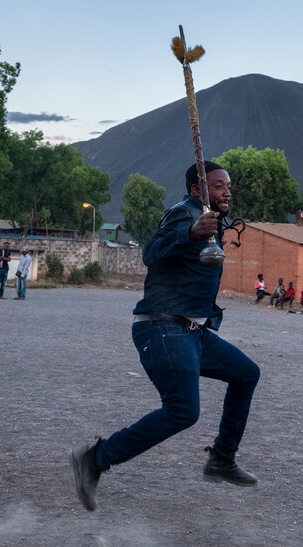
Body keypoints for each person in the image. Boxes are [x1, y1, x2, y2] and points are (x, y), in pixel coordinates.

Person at [69, 161, 261, 512]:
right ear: (196, 189)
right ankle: (94, 459)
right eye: (218, 185)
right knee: (183, 410)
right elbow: (150, 253)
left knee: (247, 373)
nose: (227, 191)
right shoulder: (183, 214)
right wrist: (189, 234)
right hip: (162, 326)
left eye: (228, 185)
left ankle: (222, 458)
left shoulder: (211, 221)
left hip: (192, 331)